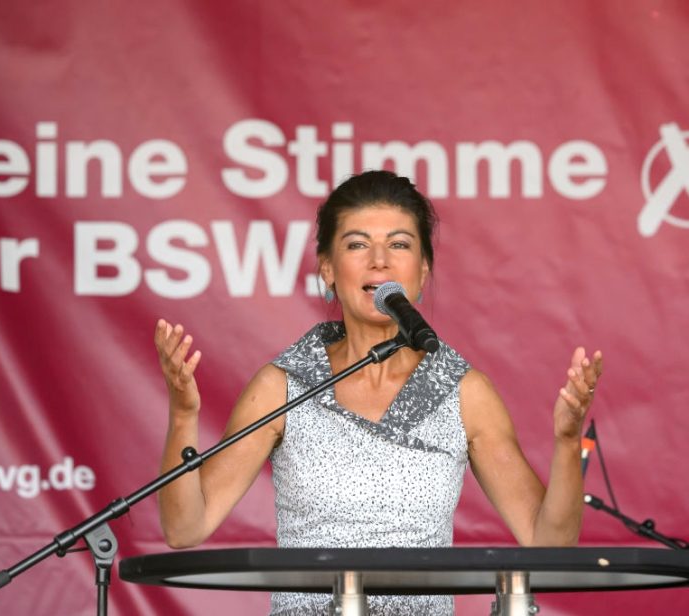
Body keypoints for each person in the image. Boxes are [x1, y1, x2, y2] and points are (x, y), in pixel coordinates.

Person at [154, 170, 603, 615]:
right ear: (328, 269)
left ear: (423, 270)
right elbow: (184, 527)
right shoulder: (284, 384)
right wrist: (182, 415)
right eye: (357, 244)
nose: (380, 260)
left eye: (400, 244)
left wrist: (566, 443)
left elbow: (549, 542)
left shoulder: (464, 391)